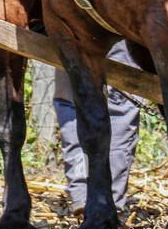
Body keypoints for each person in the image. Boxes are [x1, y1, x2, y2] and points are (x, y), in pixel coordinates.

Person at [51, 40, 141, 213]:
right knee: (120, 102)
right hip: (119, 29)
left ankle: (82, 194)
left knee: (69, 98)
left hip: (64, 27)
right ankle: (109, 199)